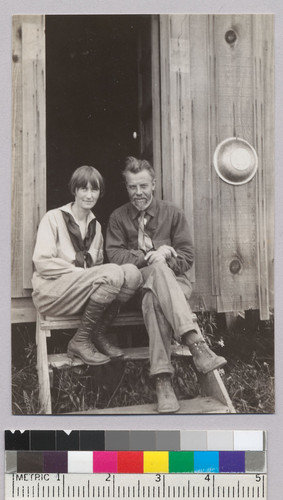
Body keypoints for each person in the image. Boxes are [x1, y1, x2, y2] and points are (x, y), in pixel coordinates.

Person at [106, 156, 227, 413]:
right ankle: (196, 343)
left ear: (154, 184)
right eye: (132, 187)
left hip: (176, 284)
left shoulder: (173, 213)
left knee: (155, 295)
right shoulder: (118, 218)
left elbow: (187, 258)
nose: (138, 193)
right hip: (137, 287)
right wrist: (150, 257)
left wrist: (169, 254)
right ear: (126, 187)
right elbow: (114, 255)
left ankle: (163, 381)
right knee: (152, 282)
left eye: (143, 186)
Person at [32, 165, 142, 366]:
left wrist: (88, 276)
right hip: (52, 293)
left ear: (100, 193)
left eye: (95, 190)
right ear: (74, 190)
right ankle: (80, 340)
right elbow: (42, 262)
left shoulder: (97, 227)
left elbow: (98, 268)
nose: (89, 195)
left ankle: (98, 333)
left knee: (132, 273)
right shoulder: (53, 218)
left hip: (81, 294)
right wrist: (78, 272)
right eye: (84, 189)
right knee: (113, 272)